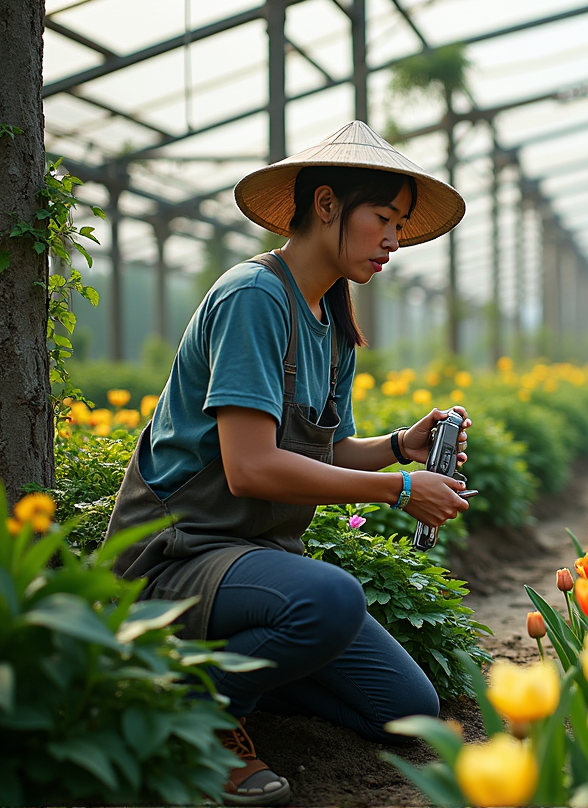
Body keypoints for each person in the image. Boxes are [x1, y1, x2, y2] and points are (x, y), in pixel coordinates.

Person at [101, 121, 470, 806]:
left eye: (399, 225)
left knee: (404, 708)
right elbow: (251, 469)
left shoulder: (331, 321)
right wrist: (398, 489)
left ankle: (213, 672)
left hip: (253, 561)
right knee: (331, 599)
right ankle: (195, 715)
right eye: (383, 218)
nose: (393, 240)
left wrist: (400, 446)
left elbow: (327, 447)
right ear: (327, 204)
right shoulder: (255, 297)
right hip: (177, 557)